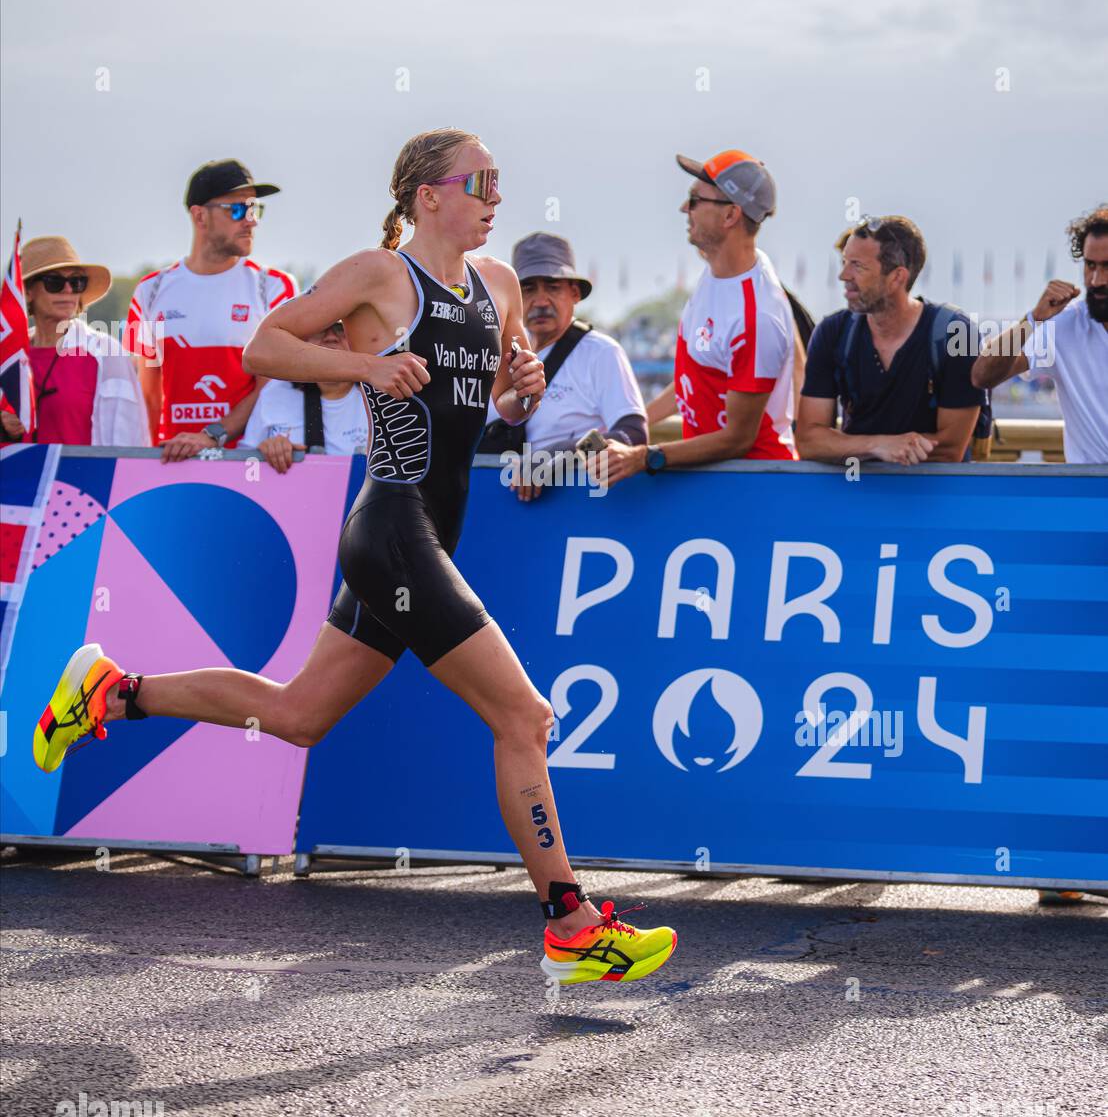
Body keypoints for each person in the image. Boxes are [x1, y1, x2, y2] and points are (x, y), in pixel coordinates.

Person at [33, 127, 676, 986]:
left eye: (499, 183)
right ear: (428, 197)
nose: (494, 199)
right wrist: (367, 367)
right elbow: (265, 347)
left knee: (299, 714)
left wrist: (520, 396)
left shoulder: (498, 284)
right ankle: (572, 924)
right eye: (479, 183)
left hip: (433, 531)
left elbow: (492, 404)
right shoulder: (380, 275)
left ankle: (115, 691)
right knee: (523, 718)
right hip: (392, 529)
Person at [605, 148, 798, 486]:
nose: (684, 208)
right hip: (716, 478)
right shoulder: (720, 271)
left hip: (756, 487)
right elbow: (691, 381)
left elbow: (737, 439)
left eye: (695, 200)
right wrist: (632, 424)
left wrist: (645, 456)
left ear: (730, 215)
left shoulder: (758, 316)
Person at [122, 159, 296, 462]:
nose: (251, 221)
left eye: (254, 209)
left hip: (245, 464)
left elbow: (272, 389)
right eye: (238, 210)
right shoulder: (149, 290)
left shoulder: (274, 286)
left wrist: (211, 435)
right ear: (199, 216)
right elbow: (146, 396)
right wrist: (146, 462)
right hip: (173, 461)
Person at [796, 216, 985, 465]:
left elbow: (950, 449)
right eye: (844, 262)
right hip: (858, 486)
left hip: (934, 489)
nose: (843, 275)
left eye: (857, 266)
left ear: (897, 277)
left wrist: (867, 447)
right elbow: (808, 441)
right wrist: (877, 446)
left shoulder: (956, 333)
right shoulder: (832, 332)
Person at [486, 232, 646, 501]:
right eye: (528, 289)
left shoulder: (600, 353)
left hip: (571, 509)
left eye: (552, 287)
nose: (541, 301)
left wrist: (566, 451)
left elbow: (633, 435)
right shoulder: (497, 353)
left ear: (574, 294)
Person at [971, 204, 1108, 464]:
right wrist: (1033, 320)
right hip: (1088, 486)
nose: (1096, 280)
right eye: (1090, 265)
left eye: (1107, 266)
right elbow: (982, 375)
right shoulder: (1065, 326)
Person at [0, 236, 149, 447]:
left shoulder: (105, 352)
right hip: (20, 470)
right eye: (54, 282)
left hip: (82, 470)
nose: (68, 290)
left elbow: (129, 440)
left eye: (77, 282)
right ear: (28, 292)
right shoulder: (7, 356)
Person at [241, 320, 368, 472]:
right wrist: (265, 451)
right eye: (319, 329)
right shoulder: (276, 390)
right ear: (301, 341)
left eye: (341, 329)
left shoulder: (377, 396)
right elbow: (243, 461)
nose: (331, 337)